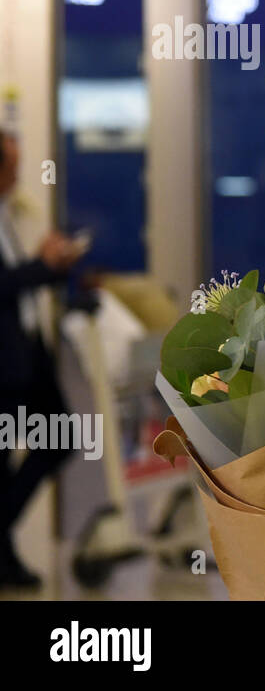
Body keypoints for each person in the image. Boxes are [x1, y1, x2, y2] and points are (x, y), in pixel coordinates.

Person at [0, 128, 85, 588]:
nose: (17, 174)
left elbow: (16, 280)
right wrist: (42, 268)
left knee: (60, 437)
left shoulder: (6, 215)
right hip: (5, 362)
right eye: (11, 165)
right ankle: (4, 552)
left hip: (26, 353)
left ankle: (2, 542)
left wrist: (53, 269)